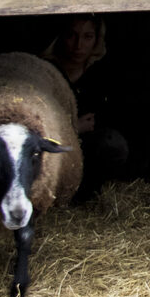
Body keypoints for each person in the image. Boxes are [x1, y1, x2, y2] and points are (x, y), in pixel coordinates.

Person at [42, 14, 129, 199]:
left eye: (87, 37)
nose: (78, 45)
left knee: (111, 144)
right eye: (72, 36)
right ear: (60, 37)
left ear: (97, 39)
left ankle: (86, 196)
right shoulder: (45, 72)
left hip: (88, 147)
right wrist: (74, 127)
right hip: (52, 146)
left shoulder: (103, 72)